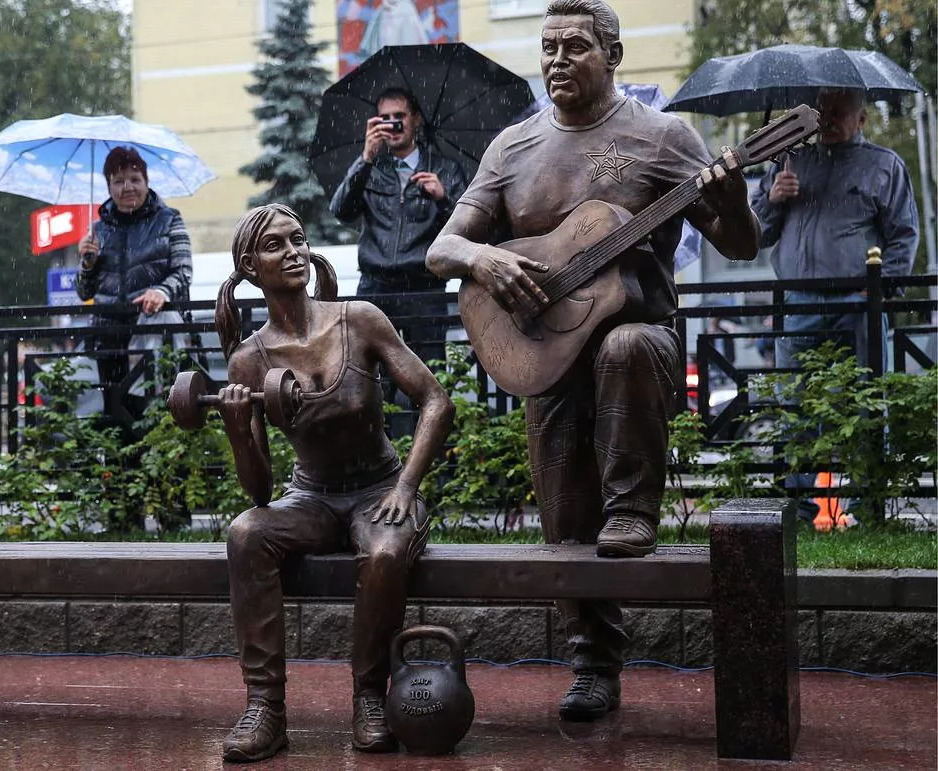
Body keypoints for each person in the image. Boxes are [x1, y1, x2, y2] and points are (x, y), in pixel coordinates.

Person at [425, 0, 759, 723]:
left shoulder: (662, 136)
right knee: (564, 522)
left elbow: (740, 243)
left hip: (640, 343)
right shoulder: (512, 146)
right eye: (547, 47)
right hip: (545, 350)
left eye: (574, 46)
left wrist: (734, 200)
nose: (555, 60)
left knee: (626, 343)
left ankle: (635, 507)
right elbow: (441, 247)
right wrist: (484, 260)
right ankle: (593, 664)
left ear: (612, 53)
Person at [213, 203, 453, 762]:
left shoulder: (358, 319)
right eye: (276, 245)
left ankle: (370, 697)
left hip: (379, 489)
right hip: (311, 498)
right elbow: (259, 491)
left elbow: (436, 401)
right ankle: (265, 709)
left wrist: (406, 489)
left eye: (298, 239)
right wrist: (237, 431)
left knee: (386, 552)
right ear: (251, 265)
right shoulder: (248, 361)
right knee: (247, 532)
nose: (293, 251)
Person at [751, 87, 919, 372]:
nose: (826, 121)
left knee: (863, 399)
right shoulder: (791, 162)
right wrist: (772, 199)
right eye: (822, 113)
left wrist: (879, 290)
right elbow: (757, 236)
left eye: (838, 114)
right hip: (796, 304)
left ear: (861, 119)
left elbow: (904, 233)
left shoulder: (884, 165)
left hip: (856, 305)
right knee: (795, 403)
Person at [330, 87, 468, 367]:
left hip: (424, 288)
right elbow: (341, 211)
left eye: (399, 116)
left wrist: (443, 199)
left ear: (416, 119)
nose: (393, 124)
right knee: (371, 376)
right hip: (375, 288)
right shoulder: (370, 169)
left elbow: (466, 228)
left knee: (427, 372)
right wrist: (366, 157)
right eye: (385, 118)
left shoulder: (445, 169)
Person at [75, 146, 193, 409]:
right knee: (118, 415)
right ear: (108, 187)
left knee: (162, 411)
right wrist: (87, 263)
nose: (127, 187)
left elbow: (184, 272)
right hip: (110, 338)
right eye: (118, 181)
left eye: (135, 179)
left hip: (156, 332)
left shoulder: (169, 219)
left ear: (146, 182)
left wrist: (161, 292)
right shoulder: (97, 231)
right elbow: (84, 292)